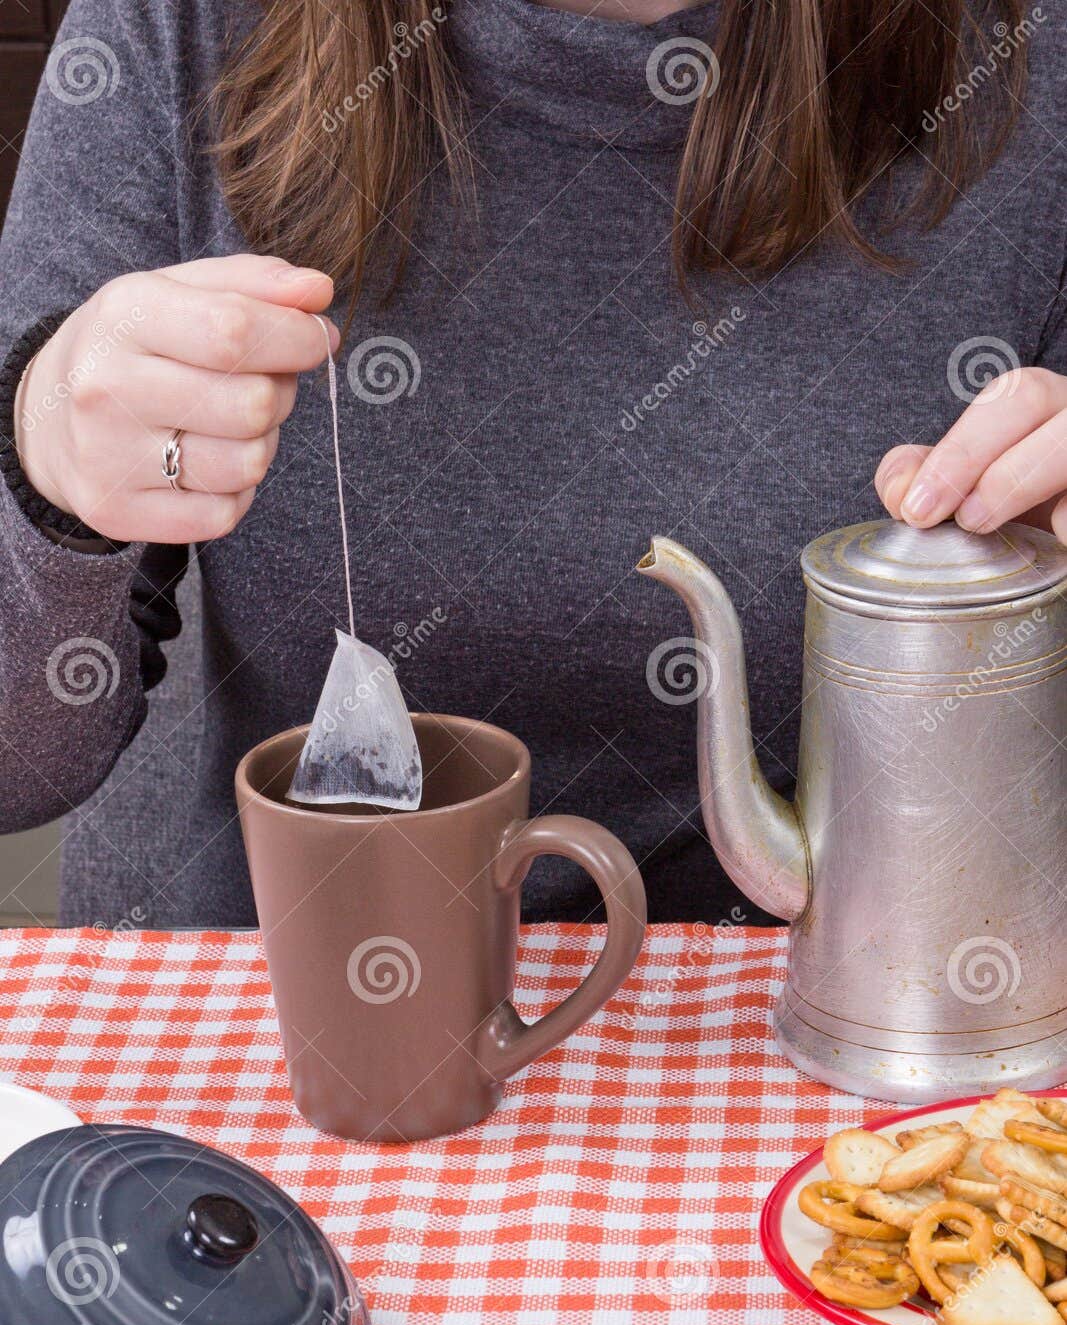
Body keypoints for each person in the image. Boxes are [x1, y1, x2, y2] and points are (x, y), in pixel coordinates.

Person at [0, 0, 1064, 928]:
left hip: (836, 1038)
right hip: (262, 1040)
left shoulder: (1025, 61)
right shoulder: (174, 31)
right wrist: (45, 463)